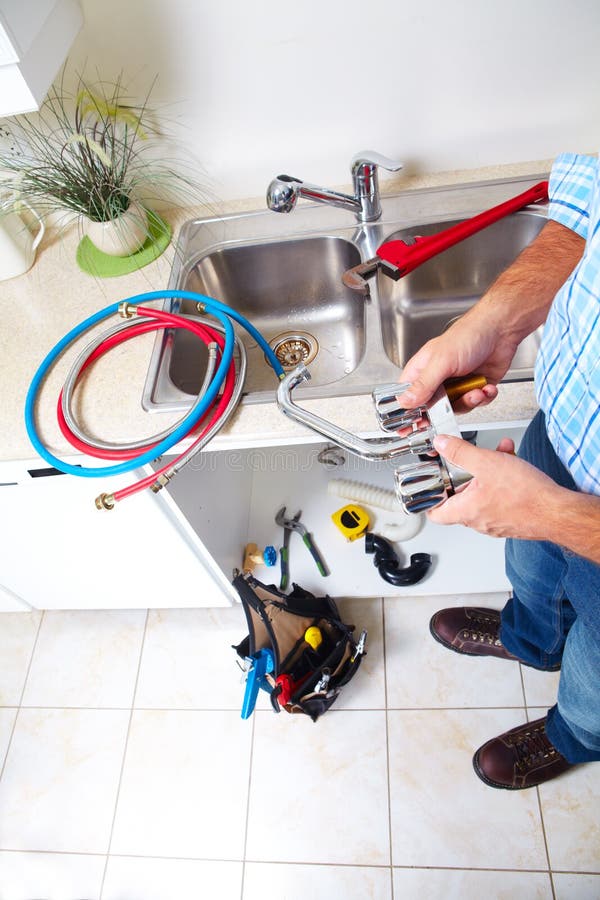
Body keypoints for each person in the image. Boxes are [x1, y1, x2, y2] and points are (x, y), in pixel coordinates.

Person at [397, 152, 600, 790]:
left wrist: (547, 512)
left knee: (598, 657)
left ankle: (578, 731)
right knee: (533, 568)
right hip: (566, 421)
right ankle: (533, 639)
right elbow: (581, 222)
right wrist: (493, 324)